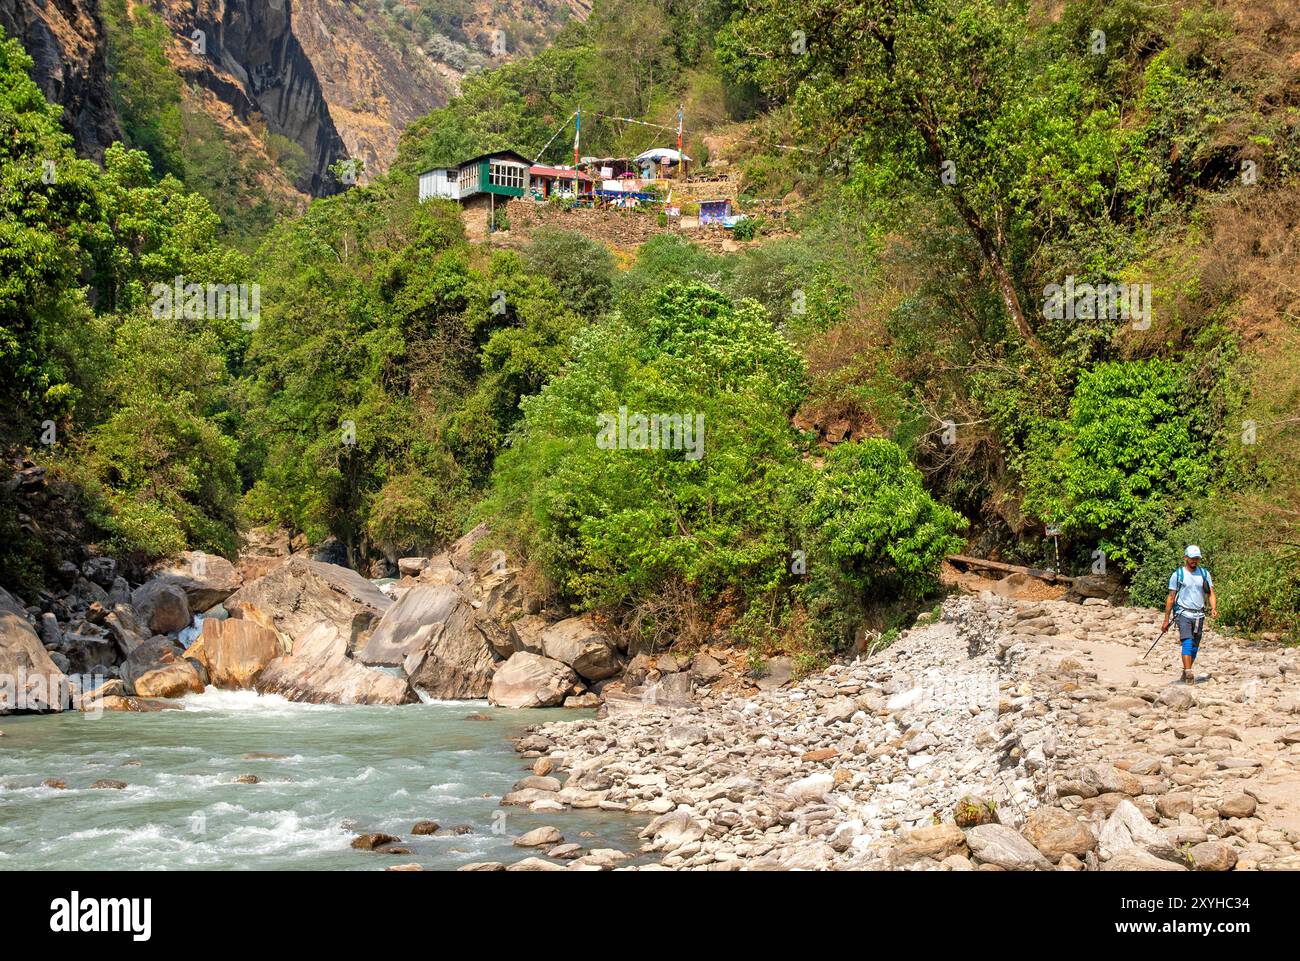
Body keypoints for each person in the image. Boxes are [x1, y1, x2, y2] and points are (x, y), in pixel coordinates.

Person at [1161, 545, 1217, 683]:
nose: (1194, 561)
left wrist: (1214, 608)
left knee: (1195, 645)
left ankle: (1186, 670)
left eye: (1196, 558)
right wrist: (1166, 619)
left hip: (1199, 615)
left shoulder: (1204, 574)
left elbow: (1211, 593)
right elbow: (1171, 598)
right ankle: (1189, 673)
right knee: (1187, 642)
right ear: (1185, 558)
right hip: (1183, 613)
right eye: (1192, 558)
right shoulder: (1178, 575)